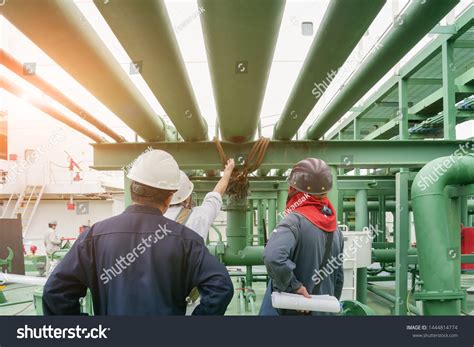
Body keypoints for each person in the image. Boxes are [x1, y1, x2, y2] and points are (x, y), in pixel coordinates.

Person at [42, 150, 234, 315]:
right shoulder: (186, 240)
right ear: (169, 197)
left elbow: (55, 292)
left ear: (133, 189)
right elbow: (221, 287)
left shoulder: (94, 236)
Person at [259, 158, 344, 315]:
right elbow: (338, 277)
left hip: (294, 310)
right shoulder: (335, 228)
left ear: (294, 189)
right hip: (323, 311)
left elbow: (273, 256)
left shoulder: (294, 220)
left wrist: (293, 286)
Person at [164, 158, 235, 314]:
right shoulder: (199, 216)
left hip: (156, 299)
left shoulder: (148, 221)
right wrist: (228, 171)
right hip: (187, 300)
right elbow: (215, 195)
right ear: (188, 196)